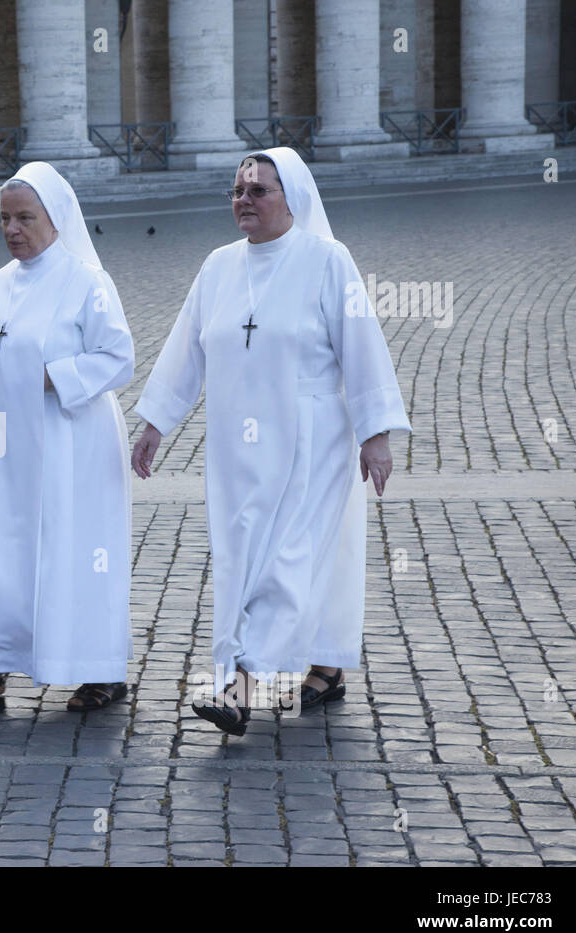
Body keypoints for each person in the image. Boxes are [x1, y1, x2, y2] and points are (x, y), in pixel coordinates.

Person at [130, 146, 411, 735]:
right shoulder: (218, 266)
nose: (244, 200)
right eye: (237, 190)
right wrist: (155, 422)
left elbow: (362, 346)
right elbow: (188, 349)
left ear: (294, 199)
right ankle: (323, 667)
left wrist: (376, 434)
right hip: (237, 446)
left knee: (289, 560)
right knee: (243, 562)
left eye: (258, 190)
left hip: (312, 440)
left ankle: (241, 685)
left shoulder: (328, 260)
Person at [0, 161, 135, 717]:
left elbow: (118, 358)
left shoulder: (86, 281)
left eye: (25, 217)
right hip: (5, 445)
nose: (12, 229)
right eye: (4, 218)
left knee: (76, 553)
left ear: (57, 218)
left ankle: (99, 669)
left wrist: (50, 378)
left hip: (72, 440)